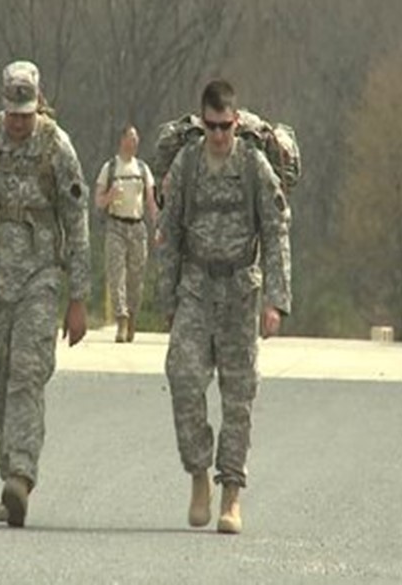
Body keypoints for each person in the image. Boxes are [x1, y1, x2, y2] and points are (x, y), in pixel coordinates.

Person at [0, 60, 91, 528]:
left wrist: (78, 298)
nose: (19, 122)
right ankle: (9, 470)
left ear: (38, 106)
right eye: (13, 113)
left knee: (28, 370)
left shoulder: (56, 146)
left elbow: (78, 220)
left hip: (41, 276)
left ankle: (23, 474)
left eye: (26, 114)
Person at [157, 79, 292, 534]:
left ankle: (231, 492)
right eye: (211, 127)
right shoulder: (188, 163)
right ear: (202, 122)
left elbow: (275, 231)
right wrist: (167, 298)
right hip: (195, 286)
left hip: (239, 290)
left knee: (239, 396)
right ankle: (199, 474)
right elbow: (170, 234)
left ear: (236, 122)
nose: (218, 136)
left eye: (225, 127)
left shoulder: (253, 166)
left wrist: (276, 300)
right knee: (182, 375)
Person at [94, 125, 158, 342]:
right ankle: (120, 318)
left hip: (137, 228)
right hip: (116, 226)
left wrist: (158, 224)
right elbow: (98, 201)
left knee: (136, 278)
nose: (134, 142)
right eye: (130, 138)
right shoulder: (110, 168)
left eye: (136, 138)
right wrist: (109, 196)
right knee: (116, 275)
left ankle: (132, 318)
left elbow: (150, 200)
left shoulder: (142, 169)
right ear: (122, 140)